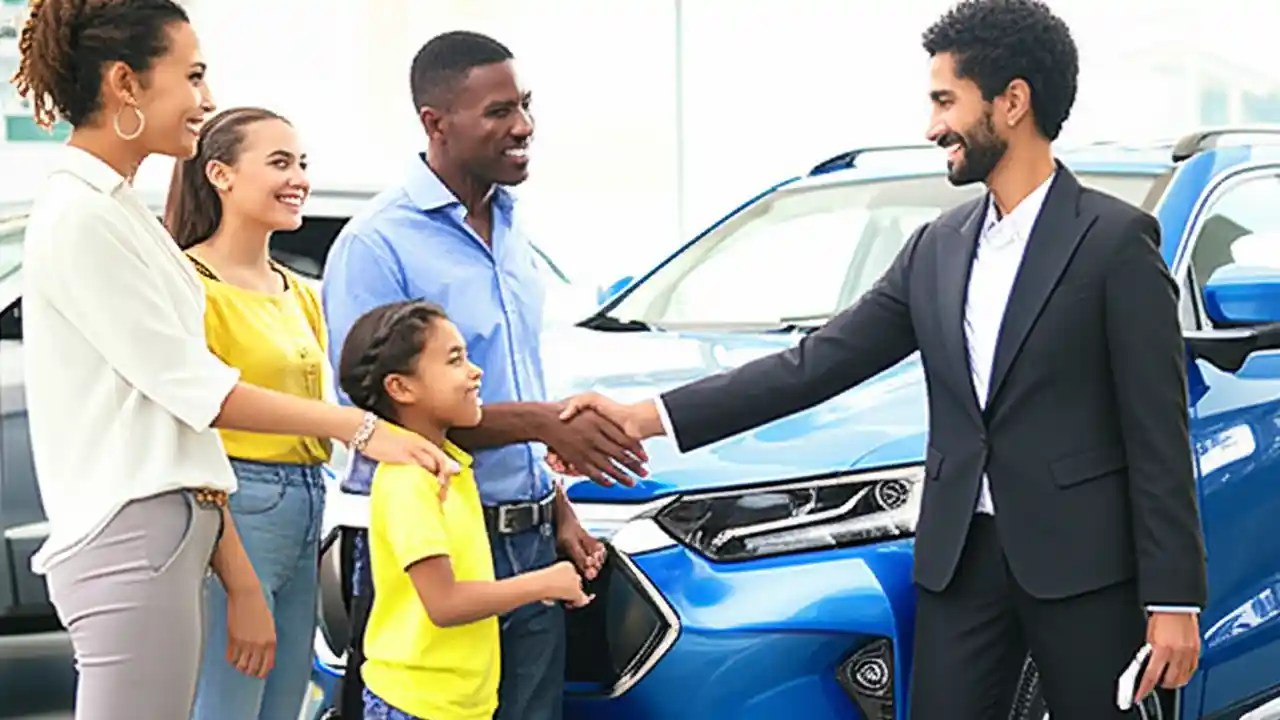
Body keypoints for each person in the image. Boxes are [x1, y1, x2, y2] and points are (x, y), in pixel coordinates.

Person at [559, 1, 1207, 718]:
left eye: (945, 101)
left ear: (1013, 101)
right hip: (961, 560)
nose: (933, 128)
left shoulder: (1115, 242)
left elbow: (1158, 434)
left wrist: (1173, 599)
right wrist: (643, 418)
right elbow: (814, 365)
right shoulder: (939, 245)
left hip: (1086, 570)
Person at [10, 2, 456, 718]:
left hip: (173, 528)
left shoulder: (118, 208)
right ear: (126, 82)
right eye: (192, 75)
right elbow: (200, 393)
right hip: (132, 534)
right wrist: (364, 430)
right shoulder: (83, 213)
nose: (207, 99)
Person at [321, 30, 645, 720]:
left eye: (525, 105)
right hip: (437, 557)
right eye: (499, 111)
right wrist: (542, 423)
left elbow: (505, 379)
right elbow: (377, 421)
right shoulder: (376, 243)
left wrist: (555, 507)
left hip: (530, 544)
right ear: (435, 124)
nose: (523, 126)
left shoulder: (514, 225)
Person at [338, 299, 593, 720]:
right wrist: (546, 582)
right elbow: (445, 602)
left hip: (459, 707)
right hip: (416, 707)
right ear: (400, 387)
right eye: (455, 360)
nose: (475, 371)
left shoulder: (450, 465)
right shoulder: (410, 480)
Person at [164, 106, 332, 719]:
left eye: (303, 163)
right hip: (237, 507)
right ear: (221, 174)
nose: (300, 178)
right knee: (229, 704)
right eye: (280, 162)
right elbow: (192, 435)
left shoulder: (298, 291)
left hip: (308, 502)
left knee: (282, 705)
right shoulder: (188, 283)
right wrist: (237, 578)